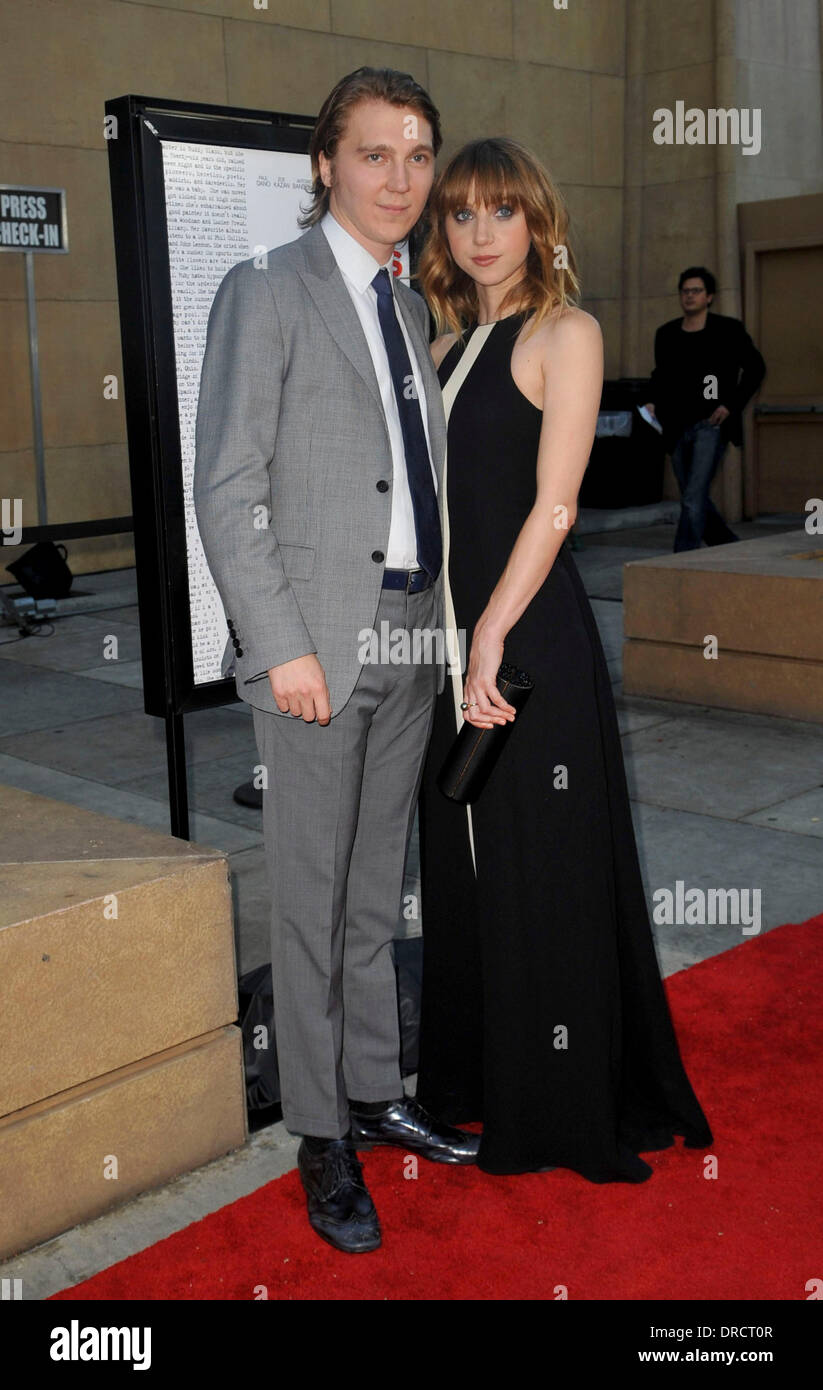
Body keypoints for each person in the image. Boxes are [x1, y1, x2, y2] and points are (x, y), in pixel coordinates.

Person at [193, 67, 479, 1256]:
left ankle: (374, 1090)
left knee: (373, 892)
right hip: (315, 652)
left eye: (417, 158)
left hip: (410, 635)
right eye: (375, 155)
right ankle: (319, 1136)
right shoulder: (267, 290)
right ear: (325, 165)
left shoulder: (412, 308)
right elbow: (228, 489)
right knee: (306, 906)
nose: (401, 180)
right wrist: (284, 645)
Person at [413, 137, 713, 1182]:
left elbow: (555, 502)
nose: (481, 233)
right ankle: (482, 1081)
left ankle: (561, 1097)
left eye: (500, 210)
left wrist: (489, 629)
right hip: (448, 635)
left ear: (538, 219)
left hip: (525, 632)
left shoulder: (564, 331)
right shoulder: (447, 343)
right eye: (460, 214)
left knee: (543, 865)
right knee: (467, 864)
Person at [643, 266, 765, 551]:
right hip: (675, 427)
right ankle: (729, 545)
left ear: (709, 297)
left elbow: (755, 368)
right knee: (692, 496)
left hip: (710, 425)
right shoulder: (667, 334)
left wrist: (732, 405)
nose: (689, 296)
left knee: (693, 496)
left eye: (696, 291)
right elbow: (660, 375)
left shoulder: (727, 330)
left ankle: (680, 558)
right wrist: (651, 400)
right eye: (685, 291)